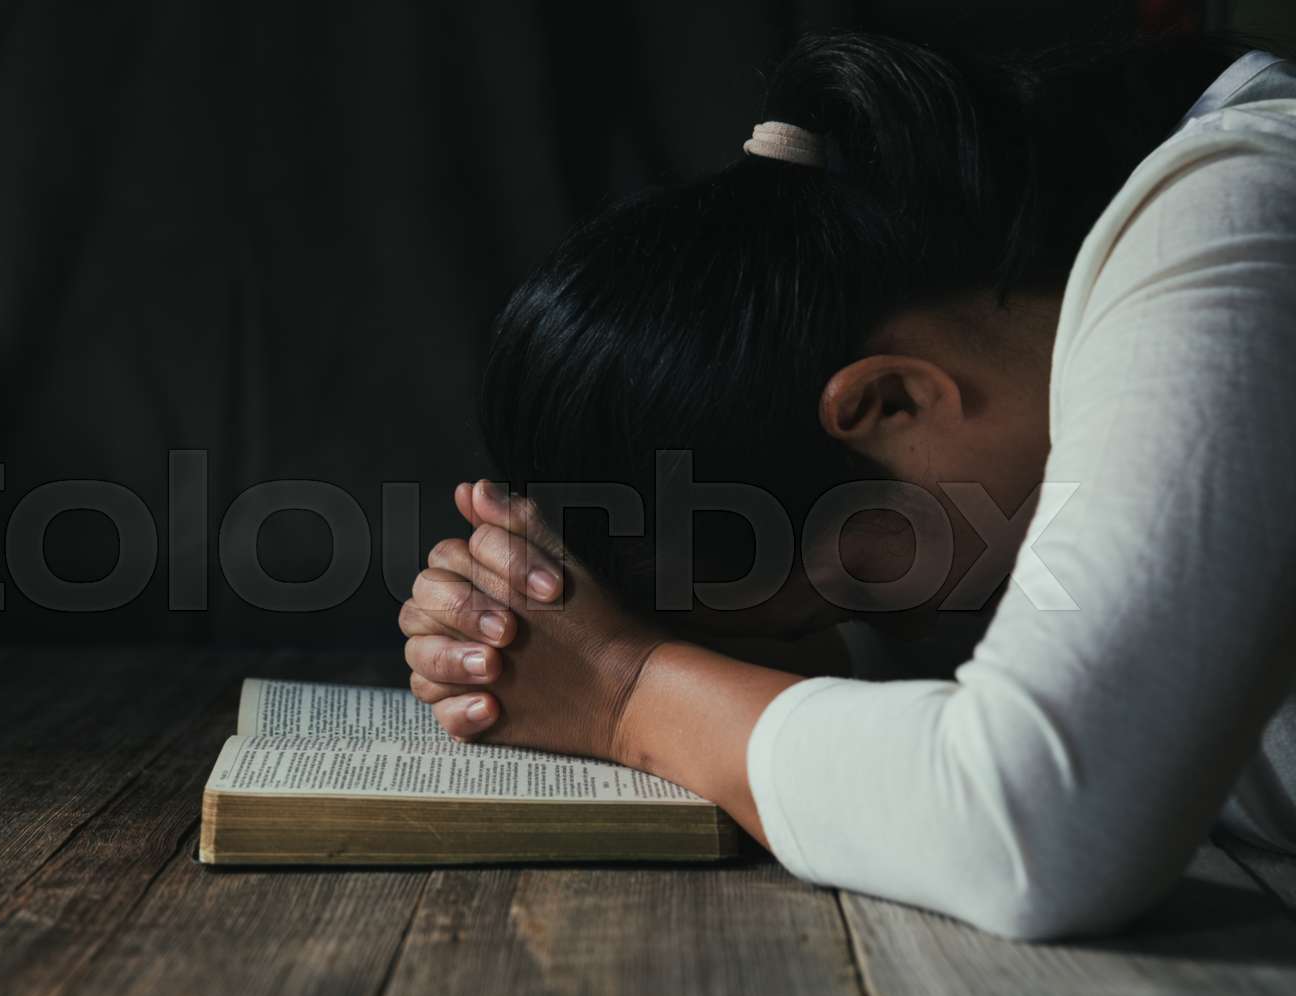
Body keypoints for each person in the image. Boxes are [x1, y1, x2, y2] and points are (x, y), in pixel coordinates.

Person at [395, 33, 1296, 940]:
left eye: (857, 585)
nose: (911, 630)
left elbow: (1037, 828)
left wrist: (625, 688)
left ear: (889, 398)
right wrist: (545, 628)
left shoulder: (1232, 221)